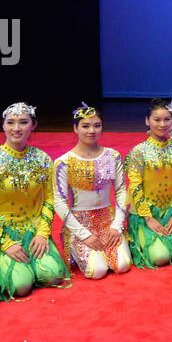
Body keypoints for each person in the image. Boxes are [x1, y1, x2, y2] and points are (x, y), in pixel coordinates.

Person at [0, 102, 69, 299]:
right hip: (3, 232)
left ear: (33, 125)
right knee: (20, 286)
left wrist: (43, 233)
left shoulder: (42, 159)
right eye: (11, 122)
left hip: (33, 231)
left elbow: (49, 199)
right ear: (3, 125)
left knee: (52, 276)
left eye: (23, 122)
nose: (16, 128)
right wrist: (4, 243)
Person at [52, 103, 132, 280]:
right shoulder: (64, 162)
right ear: (75, 128)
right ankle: (76, 246)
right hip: (80, 224)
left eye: (97, 125)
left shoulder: (112, 156)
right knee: (98, 271)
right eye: (85, 126)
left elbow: (121, 191)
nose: (92, 130)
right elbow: (59, 202)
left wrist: (116, 226)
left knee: (122, 265)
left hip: (107, 221)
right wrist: (84, 235)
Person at [125, 99, 172, 268]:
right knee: (160, 258)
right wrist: (148, 218)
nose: (162, 124)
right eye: (157, 120)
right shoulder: (138, 152)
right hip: (145, 214)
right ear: (147, 121)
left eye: (167, 119)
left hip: (171, 211)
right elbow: (135, 187)